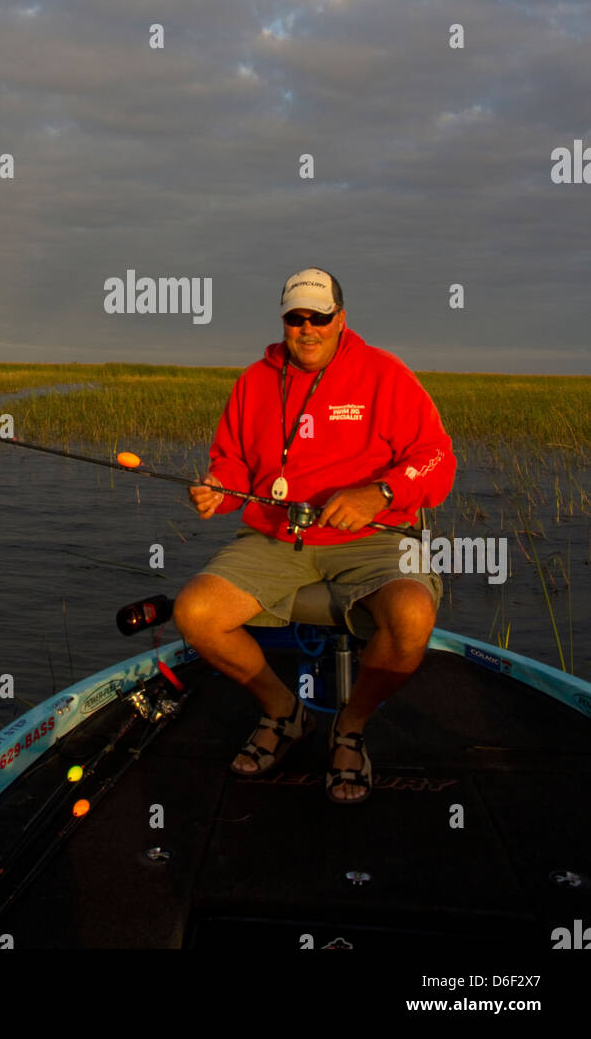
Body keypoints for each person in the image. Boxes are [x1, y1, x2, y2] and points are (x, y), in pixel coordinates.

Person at [175, 268, 456, 804]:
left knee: (412, 616)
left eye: (319, 317)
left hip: (372, 538)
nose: (307, 328)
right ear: (284, 320)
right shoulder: (254, 381)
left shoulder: (384, 373)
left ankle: (350, 727)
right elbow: (232, 465)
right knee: (195, 613)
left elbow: (436, 458)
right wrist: (218, 490)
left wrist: (381, 493)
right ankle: (284, 712)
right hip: (277, 537)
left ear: (340, 319)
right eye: (295, 317)